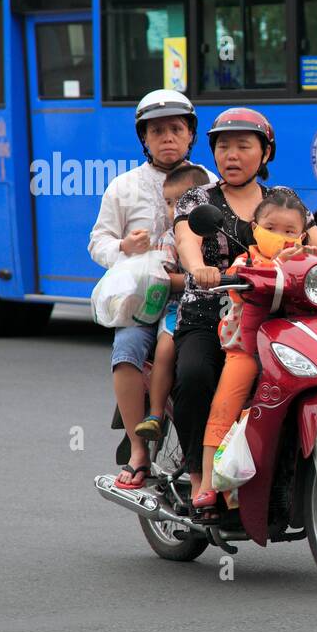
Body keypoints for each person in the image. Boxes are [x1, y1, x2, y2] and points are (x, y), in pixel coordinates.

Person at [171, 107, 317, 510]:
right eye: (223, 146)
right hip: (215, 315)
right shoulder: (199, 198)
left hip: (284, 316)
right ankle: (201, 475)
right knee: (196, 376)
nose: (231, 154)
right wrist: (200, 270)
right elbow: (186, 240)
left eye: (243, 146)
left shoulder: (283, 200)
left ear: (265, 153)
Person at [88, 89, 215, 490]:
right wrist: (125, 247)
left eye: (176, 129)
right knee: (126, 350)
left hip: (199, 298)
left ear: (191, 134)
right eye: (157, 131)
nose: (167, 138)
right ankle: (139, 451)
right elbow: (97, 242)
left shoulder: (211, 184)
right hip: (144, 305)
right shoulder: (123, 188)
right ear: (143, 138)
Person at [133, 163, 213, 442]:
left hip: (222, 307)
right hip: (179, 307)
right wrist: (197, 277)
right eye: (169, 203)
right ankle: (155, 414)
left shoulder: (218, 231)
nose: (175, 209)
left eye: (183, 201)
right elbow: (165, 278)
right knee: (166, 347)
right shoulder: (170, 238)